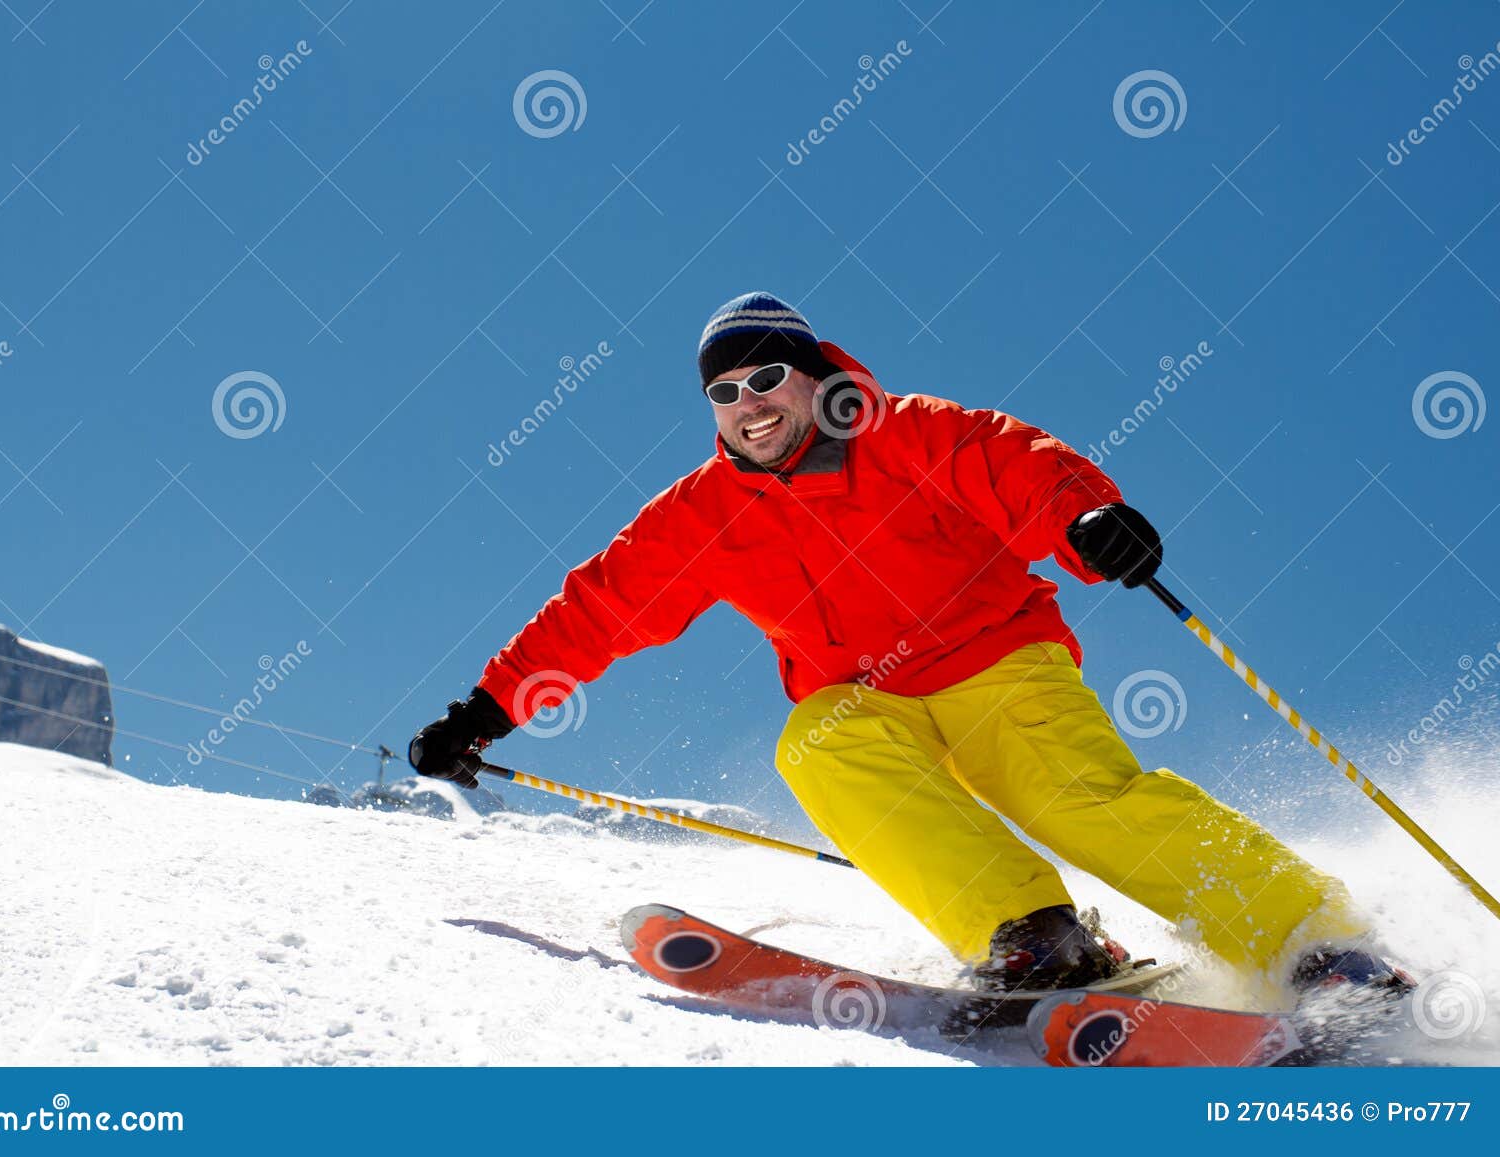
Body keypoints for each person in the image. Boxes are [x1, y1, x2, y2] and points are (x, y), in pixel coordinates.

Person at [411, 291, 1409, 996]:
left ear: (814, 378)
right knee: (815, 742)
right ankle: (1032, 935)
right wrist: (488, 709)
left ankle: (1314, 944)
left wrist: (1085, 519)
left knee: (1072, 798)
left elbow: (1014, 464)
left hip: (998, 664)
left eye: (767, 377)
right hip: (870, 705)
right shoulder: (701, 514)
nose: (749, 404)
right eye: (725, 393)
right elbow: (601, 606)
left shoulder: (908, 435)